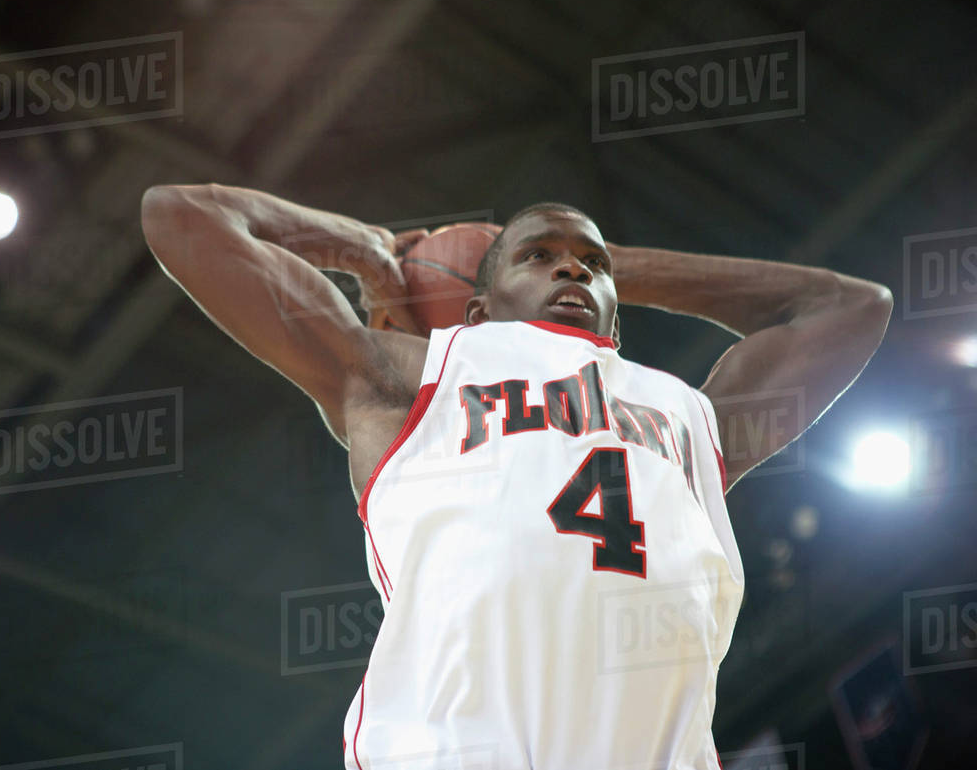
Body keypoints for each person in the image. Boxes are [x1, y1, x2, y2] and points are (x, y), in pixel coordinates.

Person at [140, 184, 893, 769]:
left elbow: (852, 307)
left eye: (590, 264)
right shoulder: (409, 376)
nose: (572, 266)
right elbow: (179, 217)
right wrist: (361, 246)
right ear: (475, 309)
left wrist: (611, 264)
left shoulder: (694, 415)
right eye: (538, 256)